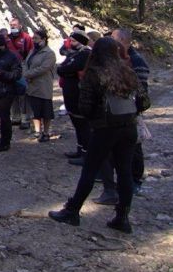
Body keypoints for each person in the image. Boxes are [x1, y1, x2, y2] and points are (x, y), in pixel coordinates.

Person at [49, 37, 141, 233]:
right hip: (129, 126)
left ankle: (72, 211)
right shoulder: (127, 71)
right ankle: (122, 217)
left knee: (90, 170)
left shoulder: (94, 73)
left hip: (105, 128)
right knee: (124, 172)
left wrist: (95, 119)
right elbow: (144, 100)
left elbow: (85, 106)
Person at [113, 28, 150, 195]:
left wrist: (136, 109)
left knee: (134, 147)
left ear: (122, 40)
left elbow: (142, 89)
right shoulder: (116, 59)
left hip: (131, 111)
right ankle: (123, 179)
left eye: (113, 38)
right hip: (116, 111)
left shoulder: (136, 60)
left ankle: (135, 180)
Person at [57, 31, 92, 163]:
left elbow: (70, 67)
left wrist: (65, 70)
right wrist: (65, 69)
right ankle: (80, 149)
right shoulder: (74, 53)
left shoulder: (85, 54)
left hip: (79, 94)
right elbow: (62, 67)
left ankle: (86, 154)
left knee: (83, 125)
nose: (71, 44)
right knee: (77, 125)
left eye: (74, 41)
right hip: (70, 93)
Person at [23, 27, 57, 143]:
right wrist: (26, 73)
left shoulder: (49, 53)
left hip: (43, 86)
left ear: (44, 39)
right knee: (35, 110)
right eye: (33, 38)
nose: (34, 40)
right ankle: (37, 131)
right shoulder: (32, 51)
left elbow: (44, 68)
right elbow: (26, 63)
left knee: (46, 111)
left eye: (36, 38)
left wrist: (27, 74)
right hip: (32, 85)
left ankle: (46, 132)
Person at [5, 17, 33, 130]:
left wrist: (28, 68)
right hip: (10, 67)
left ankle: (25, 118)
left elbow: (31, 52)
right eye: (11, 25)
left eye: (15, 25)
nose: (13, 27)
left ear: (20, 25)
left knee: (23, 92)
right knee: (12, 92)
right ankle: (15, 117)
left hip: (23, 65)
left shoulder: (26, 37)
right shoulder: (7, 38)